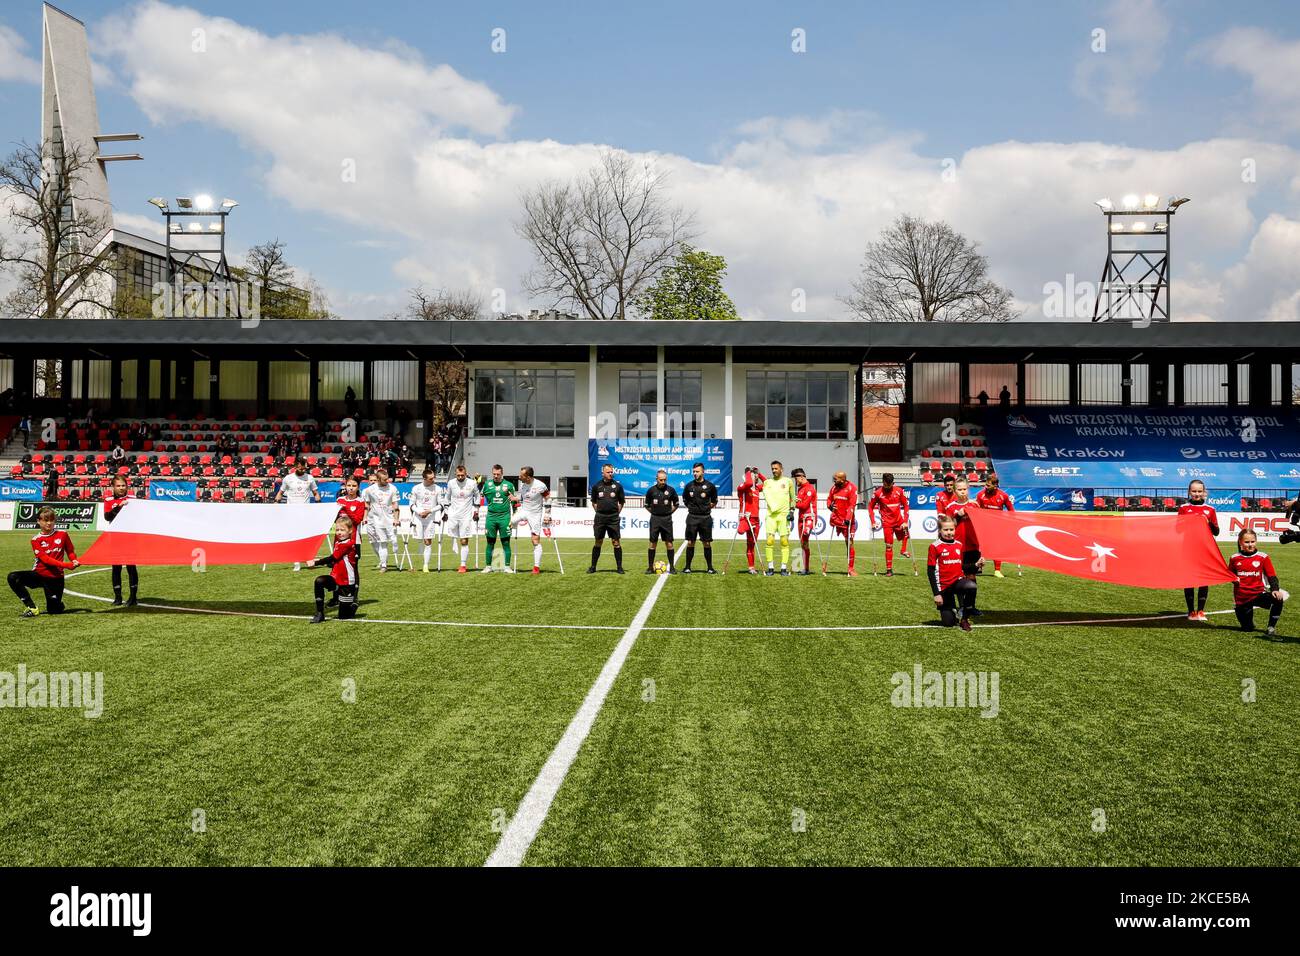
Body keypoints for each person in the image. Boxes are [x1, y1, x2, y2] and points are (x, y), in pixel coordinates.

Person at [9, 507, 79, 617]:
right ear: (38, 521)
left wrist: (73, 559)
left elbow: (70, 551)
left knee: (54, 611)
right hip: (39, 575)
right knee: (13, 577)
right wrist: (67, 565)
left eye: (52, 520)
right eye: (46, 520)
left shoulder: (63, 534)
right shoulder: (35, 540)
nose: (49, 523)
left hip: (56, 577)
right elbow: (46, 560)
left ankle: (57, 604)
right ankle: (32, 607)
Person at [1227, 529, 1286, 635]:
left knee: (1278, 598)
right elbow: (1230, 575)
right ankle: (1247, 620)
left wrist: (1275, 589)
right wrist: (1233, 579)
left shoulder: (1263, 557)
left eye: (1252, 541)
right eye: (1247, 542)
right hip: (1242, 598)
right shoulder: (1234, 558)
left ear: (1256, 541)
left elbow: (1271, 575)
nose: (1250, 545)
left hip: (1258, 594)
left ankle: (1271, 627)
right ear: (1240, 542)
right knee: (1247, 629)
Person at [1178, 480, 1219, 622]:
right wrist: (1187, 521)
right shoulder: (1183, 508)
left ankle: (1201, 611)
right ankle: (1191, 611)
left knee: (1204, 578)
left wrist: (1208, 523)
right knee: (1189, 579)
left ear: (1204, 492)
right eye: (1194, 491)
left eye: (1199, 491)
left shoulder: (1210, 510)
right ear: (1189, 492)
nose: (1197, 494)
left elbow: (1216, 532)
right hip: (1188, 548)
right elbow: (1178, 529)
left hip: (1204, 549)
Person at [307, 514, 360, 624]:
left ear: (350, 531)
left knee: (343, 617)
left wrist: (316, 563)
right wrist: (319, 561)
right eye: (337, 530)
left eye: (342, 530)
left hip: (346, 582)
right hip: (336, 578)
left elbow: (332, 558)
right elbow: (334, 561)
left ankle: (353, 605)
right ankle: (320, 613)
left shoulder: (348, 544)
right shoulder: (338, 542)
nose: (339, 532)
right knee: (319, 581)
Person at [942, 477, 983, 615]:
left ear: (968, 489)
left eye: (964, 489)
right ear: (954, 490)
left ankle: (971, 607)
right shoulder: (950, 507)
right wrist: (958, 515)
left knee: (972, 576)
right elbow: (948, 526)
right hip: (957, 548)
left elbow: (981, 525)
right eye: (959, 489)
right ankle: (961, 607)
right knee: (959, 577)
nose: (962, 492)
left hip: (973, 546)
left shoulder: (975, 505)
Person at [928, 515, 976, 631]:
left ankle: (964, 617)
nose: (949, 532)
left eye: (951, 529)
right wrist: (936, 594)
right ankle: (953, 610)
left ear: (955, 529)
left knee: (971, 586)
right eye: (945, 530)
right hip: (944, 587)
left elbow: (962, 566)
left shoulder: (959, 545)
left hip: (957, 582)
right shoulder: (934, 546)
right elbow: (930, 571)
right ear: (940, 530)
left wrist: (976, 565)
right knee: (948, 623)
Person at [275, 460, 322, 572]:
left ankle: (308, 559)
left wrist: (319, 505)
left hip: (306, 513)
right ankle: (296, 561)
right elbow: (280, 493)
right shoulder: (288, 478)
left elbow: (315, 493)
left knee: (306, 537)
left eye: (304, 468)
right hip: (291, 513)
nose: (302, 470)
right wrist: (276, 503)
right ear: (295, 467)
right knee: (295, 537)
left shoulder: (310, 478)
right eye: (300, 468)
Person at [103, 475, 139, 606]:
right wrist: (119, 507)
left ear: (127, 486)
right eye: (118, 485)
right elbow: (107, 517)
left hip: (130, 538)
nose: (121, 488)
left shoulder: (133, 499)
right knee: (116, 568)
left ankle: (133, 597)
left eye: (123, 485)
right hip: (115, 538)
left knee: (131, 567)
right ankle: (117, 598)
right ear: (113, 486)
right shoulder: (108, 500)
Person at [869, 472, 911, 577]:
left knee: (906, 534)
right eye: (885, 485)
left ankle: (903, 550)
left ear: (893, 483)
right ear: (882, 482)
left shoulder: (899, 491)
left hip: (899, 521)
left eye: (890, 485)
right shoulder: (878, 493)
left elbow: (906, 506)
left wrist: (905, 520)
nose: (887, 487)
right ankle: (889, 570)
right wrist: (873, 522)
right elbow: (870, 507)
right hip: (887, 523)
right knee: (889, 546)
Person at [511, 465, 551, 575]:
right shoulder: (523, 485)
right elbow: (523, 497)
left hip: (535, 514)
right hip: (524, 511)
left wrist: (547, 515)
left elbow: (548, 498)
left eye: (521, 475)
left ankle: (536, 567)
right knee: (511, 522)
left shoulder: (540, 485)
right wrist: (515, 498)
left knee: (535, 540)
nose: (519, 477)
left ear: (528, 477)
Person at [680, 462, 718, 574]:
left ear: (703, 472)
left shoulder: (710, 486)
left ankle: (710, 568)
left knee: (706, 543)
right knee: (691, 542)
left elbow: (714, 501)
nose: (695, 473)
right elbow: (685, 500)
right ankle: (687, 567)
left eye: (697, 471)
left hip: (705, 518)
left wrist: (705, 508)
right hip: (692, 517)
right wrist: (693, 508)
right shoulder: (689, 486)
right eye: (694, 472)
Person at [588, 462, 626, 573]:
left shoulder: (618, 486)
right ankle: (593, 567)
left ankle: (619, 567)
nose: (610, 474)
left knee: (616, 542)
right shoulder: (596, 486)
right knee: (598, 541)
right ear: (603, 473)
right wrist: (599, 512)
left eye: (611, 472)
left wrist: (616, 513)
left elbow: (621, 502)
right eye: (608, 472)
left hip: (613, 518)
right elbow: (594, 502)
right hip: (600, 518)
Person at [478, 464, 515, 574]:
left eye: (498, 474)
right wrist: (478, 482)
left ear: (502, 473)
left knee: (506, 542)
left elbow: (514, 502)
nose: (496, 476)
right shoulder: (487, 484)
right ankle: (488, 566)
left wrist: (514, 518)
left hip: (505, 517)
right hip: (491, 517)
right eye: (494, 474)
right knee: (490, 542)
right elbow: (479, 494)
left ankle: (507, 567)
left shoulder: (509, 485)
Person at [975, 472, 1014, 577]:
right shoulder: (980, 495)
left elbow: (1011, 511)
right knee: (980, 547)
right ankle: (978, 567)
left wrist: (1012, 523)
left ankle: (997, 570)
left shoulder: (1003, 496)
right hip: (983, 525)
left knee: (996, 547)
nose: (985, 486)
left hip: (997, 526)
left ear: (995, 485)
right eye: (985, 484)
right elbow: (976, 510)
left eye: (988, 485)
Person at [362, 468, 401, 572]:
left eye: (387, 479)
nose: (387, 481)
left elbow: (395, 504)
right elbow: (367, 504)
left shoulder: (392, 488)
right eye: (384, 480)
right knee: (382, 542)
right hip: (377, 519)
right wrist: (365, 517)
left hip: (389, 518)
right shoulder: (370, 490)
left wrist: (396, 519)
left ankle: (395, 542)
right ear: (378, 479)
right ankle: (384, 565)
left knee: (393, 540)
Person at [761, 459, 795, 576]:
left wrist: (792, 511)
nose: (774, 471)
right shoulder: (767, 482)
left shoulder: (788, 481)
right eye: (772, 469)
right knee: (769, 541)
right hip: (771, 516)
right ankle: (770, 568)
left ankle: (783, 568)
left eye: (776, 468)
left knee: (784, 542)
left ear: (781, 469)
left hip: (784, 516)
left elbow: (793, 498)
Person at [443, 464, 479, 574]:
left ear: (465, 473)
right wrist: (445, 511)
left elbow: (477, 496)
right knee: (454, 537)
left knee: (464, 540)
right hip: (453, 515)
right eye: (458, 475)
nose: (460, 477)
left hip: (466, 516)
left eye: (462, 475)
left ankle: (463, 565)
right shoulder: (451, 483)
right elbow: (447, 498)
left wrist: (476, 511)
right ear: (455, 474)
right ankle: (456, 552)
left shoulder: (472, 483)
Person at [643, 469, 679, 574]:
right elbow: (646, 505)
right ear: (656, 479)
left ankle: (672, 567)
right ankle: (650, 567)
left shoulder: (671, 490)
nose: (663, 482)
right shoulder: (651, 491)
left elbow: (676, 504)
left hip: (667, 520)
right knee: (652, 543)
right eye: (661, 480)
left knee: (669, 543)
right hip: (655, 519)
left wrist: (668, 512)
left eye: (664, 480)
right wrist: (654, 512)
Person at [409, 467, 443, 573]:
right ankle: (414, 563)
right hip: (418, 518)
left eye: (434, 478)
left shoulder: (438, 489)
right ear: (424, 478)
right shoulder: (416, 488)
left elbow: (441, 504)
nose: (433, 480)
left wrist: (430, 511)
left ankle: (425, 565)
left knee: (428, 541)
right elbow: (411, 504)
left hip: (430, 518)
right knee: (419, 540)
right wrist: (419, 512)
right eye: (431, 479)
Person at [826, 470, 859, 576]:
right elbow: (829, 499)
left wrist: (848, 518)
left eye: (836, 478)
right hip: (836, 518)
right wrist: (830, 505)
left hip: (847, 520)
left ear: (843, 479)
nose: (834, 480)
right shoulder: (834, 488)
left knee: (849, 543)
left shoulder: (852, 488)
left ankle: (851, 568)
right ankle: (825, 565)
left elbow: (852, 505)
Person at [735, 466, 766, 574]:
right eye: (753, 475)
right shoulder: (742, 487)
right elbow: (748, 483)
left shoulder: (757, 489)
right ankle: (751, 567)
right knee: (740, 531)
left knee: (751, 544)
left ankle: (751, 567)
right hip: (745, 518)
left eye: (755, 476)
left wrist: (759, 473)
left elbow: (767, 484)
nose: (755, 477)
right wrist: (748, 472)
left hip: (756, 520)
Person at [792, 468, 818, 575]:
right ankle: (805, 568)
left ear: (801, 477)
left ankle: (805, 568)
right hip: (801, 518)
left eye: (796, 479)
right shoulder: (800, 489)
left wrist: (793, 502)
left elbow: (804, 505)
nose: (795, 481)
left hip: (809, 517)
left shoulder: (809, 489)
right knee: (804, 543)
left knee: (805, 536)